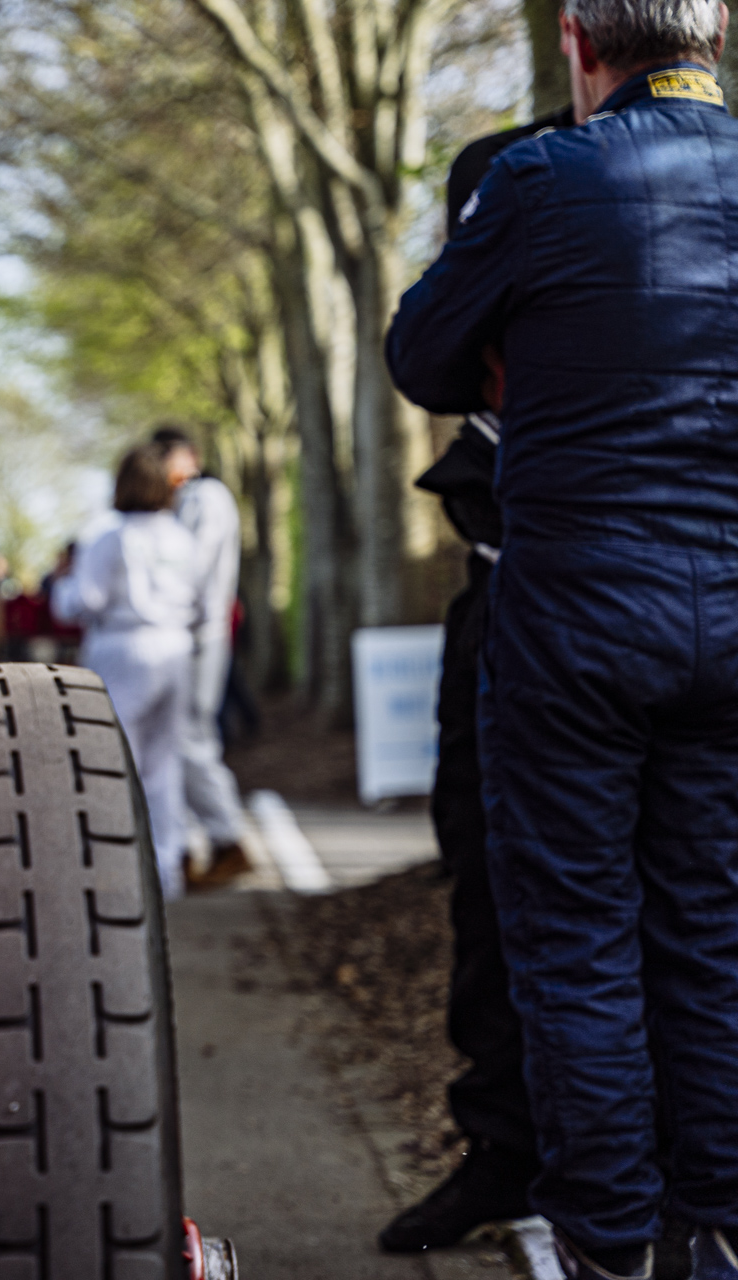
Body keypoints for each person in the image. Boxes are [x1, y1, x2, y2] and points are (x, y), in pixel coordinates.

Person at [387, 1, 738, 1274]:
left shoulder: (539, 176)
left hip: (577, 618)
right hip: (731, 615)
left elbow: (421, 353)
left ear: (582, 43)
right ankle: (718, 1232)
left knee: (575, 937)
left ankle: (609, 1246)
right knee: (712, 928)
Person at [378, 104, 572, 1260]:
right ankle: (507, 1145)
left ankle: (659, 1170)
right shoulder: (497, 168)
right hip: (500, 577)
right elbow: (433, 352)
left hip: (644, 578)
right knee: (486, 875)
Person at [51, 444, 199, 898]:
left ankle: (117, 872)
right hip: (176, 645)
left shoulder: (110, 537)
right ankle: (167, 870)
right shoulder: (180, 537)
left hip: (123, 646)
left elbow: (85, 601)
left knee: (117, 762)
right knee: (164, 764)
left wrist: (63, 584)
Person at [151, 427, 251, 887]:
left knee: (191, 735)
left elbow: (197, 562)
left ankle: (227, 835)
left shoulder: (206, 497)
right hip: (183, 630)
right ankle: (186, 847)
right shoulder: (185, 499)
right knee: (173, 739)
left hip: (199, 632)